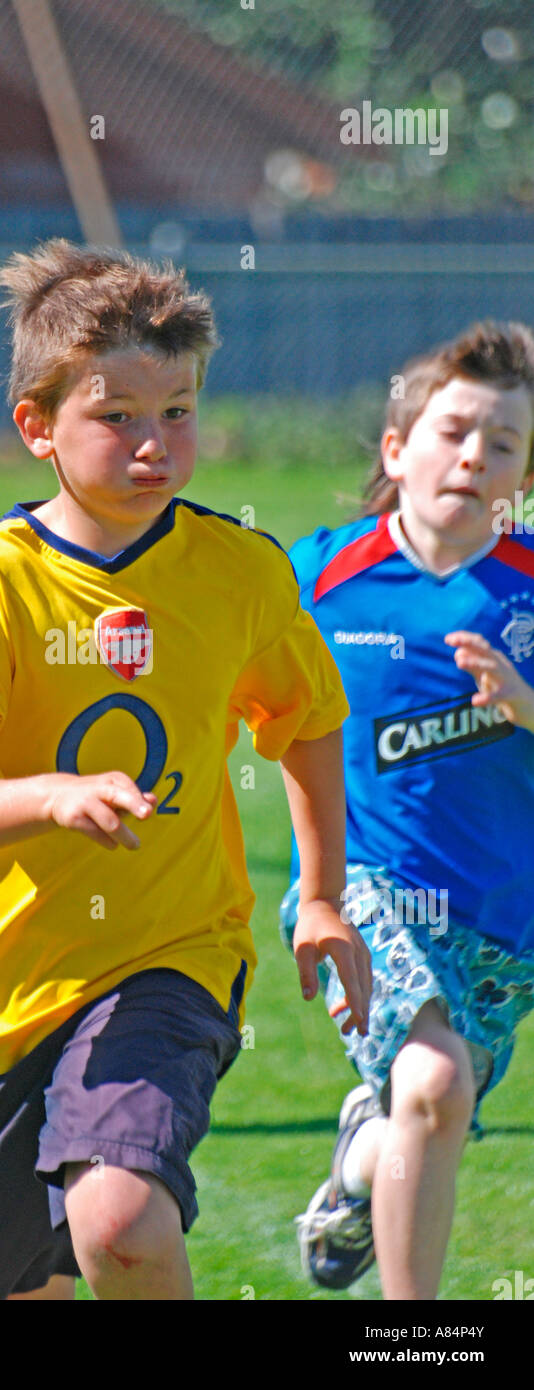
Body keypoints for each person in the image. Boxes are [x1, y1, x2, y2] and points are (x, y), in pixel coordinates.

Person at [0, 238, 371, 1301]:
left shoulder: (240, 570)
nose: (154, 442)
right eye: (118, 415)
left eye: (175, 411)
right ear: (37, 428)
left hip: (171, 957)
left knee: (122, 1216)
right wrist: (53, 795)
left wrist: (319, 895)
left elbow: (308, 718)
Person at [283, 321, 534, 1300]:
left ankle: (356, 1167)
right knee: (431, 1084)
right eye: (455, 430)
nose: (475, 455)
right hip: (361, 893)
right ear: (397, 449)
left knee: (422, 1114)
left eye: (503, 443)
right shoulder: (319, 575)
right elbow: (221, 666)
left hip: (502, 928)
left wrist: (524, 705)